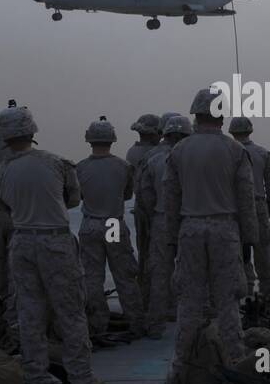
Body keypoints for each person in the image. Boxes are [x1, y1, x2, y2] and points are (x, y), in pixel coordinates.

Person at [0, 104, 103, 384]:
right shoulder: (57, 163)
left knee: (29, 314)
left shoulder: (1, 172)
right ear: (31, 130)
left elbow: (3, 206)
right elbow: (74, 201)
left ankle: (36, 380)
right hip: (55, 242)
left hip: (22, 242)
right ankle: (81, 378)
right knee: (71, 313)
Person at [165, 90, 258, 374]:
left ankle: (183, 365)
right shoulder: (235, 150)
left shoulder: (178, 151)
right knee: (227, 300)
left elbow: (171, 200)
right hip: (224, 229)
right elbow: (246, 199)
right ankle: (234, 362)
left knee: (189, 302)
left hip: (190, 228)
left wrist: (171, 241)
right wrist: (248, 240)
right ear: (221, 114)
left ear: (195, 113)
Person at [76, 116, 143, 337]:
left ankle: (97, 324)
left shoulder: (80, 168)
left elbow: (78, 198)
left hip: (90, 224)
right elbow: (126, 195)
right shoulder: (124, 167)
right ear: (112, 140)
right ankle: (135, 323)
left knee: (92, 278)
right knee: (124, 275)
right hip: (113, 222)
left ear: (89, 140)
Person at [135, 114, 191, 338]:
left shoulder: (151, 157)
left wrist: (153, 216)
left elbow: (144, 194)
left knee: (159, 272)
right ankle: (191, 322)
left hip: (161, 220)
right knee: (193, 272)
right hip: (189, 218)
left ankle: (156, 323)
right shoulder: (190, 155)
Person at [229, 116, 270, 297]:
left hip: (234, 206)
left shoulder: (228, 151)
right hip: (258, 203)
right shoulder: (263, 153)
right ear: (250, 131)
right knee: (262, 247)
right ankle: (266, 288)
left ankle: (246, 287)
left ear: (232, 132)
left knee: (240, 249)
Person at [126, 113, 163, 314]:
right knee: (159, 256)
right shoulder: (156, 154)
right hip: (157, 210)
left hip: (140, 208)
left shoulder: (132, 152)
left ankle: (144, 294)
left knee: (144, 251)